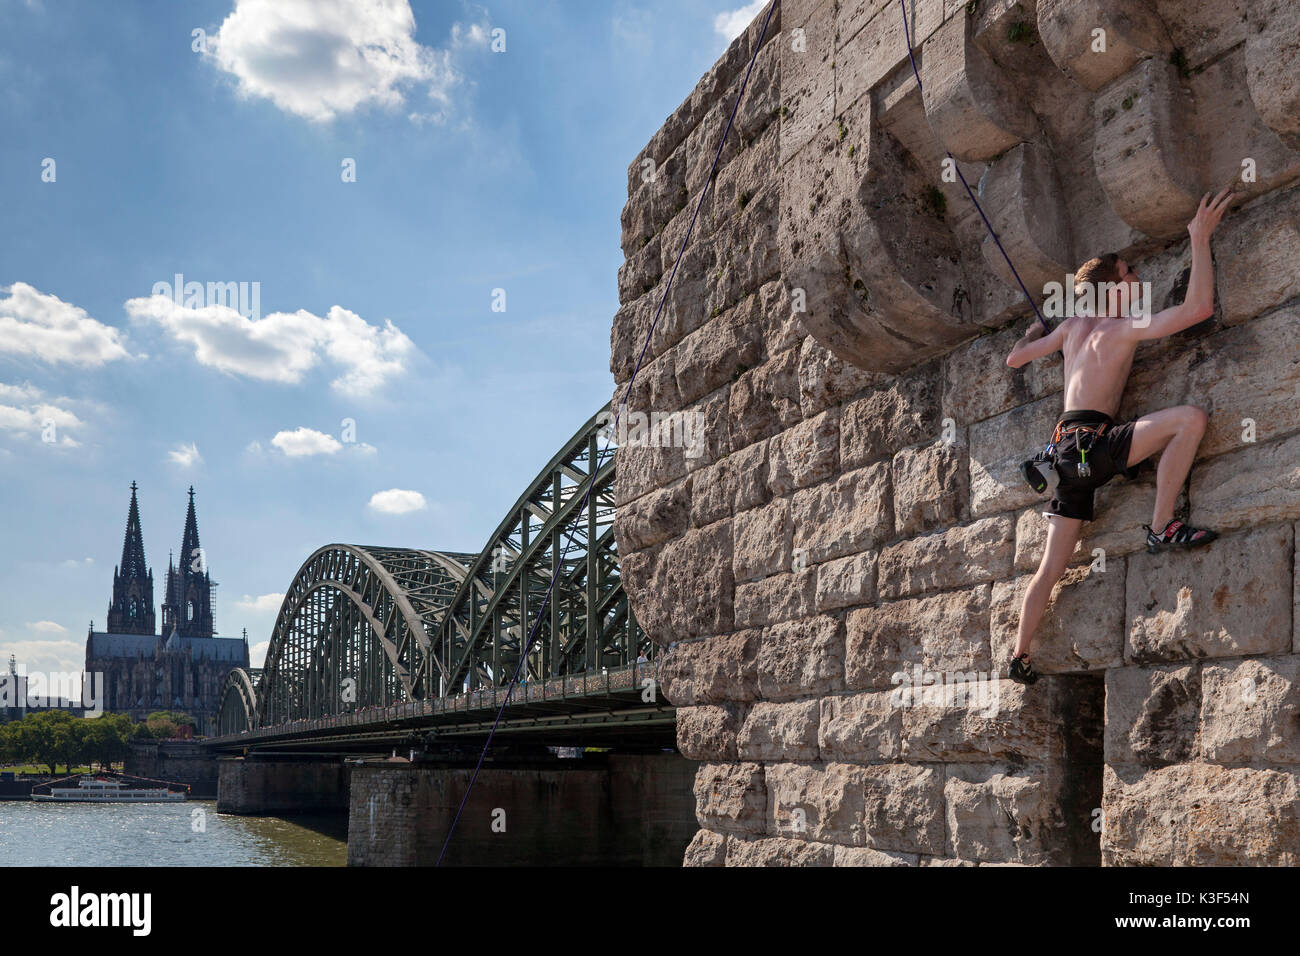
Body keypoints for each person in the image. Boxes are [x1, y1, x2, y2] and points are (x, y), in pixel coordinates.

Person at [1003, 187, 1235, 685]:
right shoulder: (1121, 327)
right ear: (1111, 289)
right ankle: (1161, 525)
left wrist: (1029, 333)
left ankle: (1019, 656)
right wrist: (1199, 239)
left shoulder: (1070, 327)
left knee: (1048, 570)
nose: (1137, 278)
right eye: (1129, 274)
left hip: (1063, 456)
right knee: (1190, 419)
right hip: (1095, 446)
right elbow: (1197, 309)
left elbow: (1016, 358)